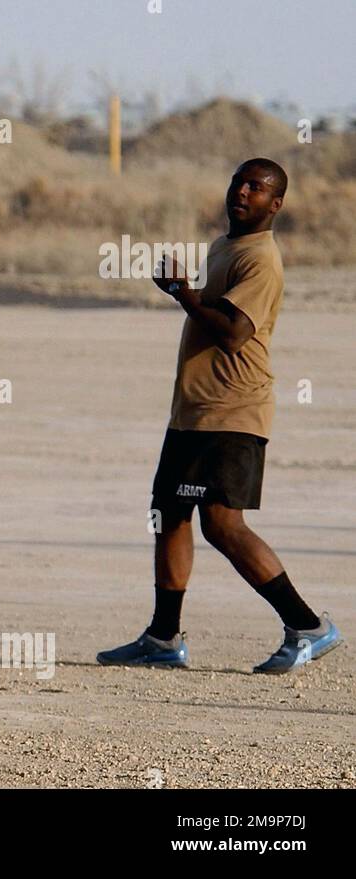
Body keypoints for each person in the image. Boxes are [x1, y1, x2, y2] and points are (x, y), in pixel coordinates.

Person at [97, 158, 342, 674]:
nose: (243, 191)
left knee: (223, 524)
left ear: (275, 205)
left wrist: (182, 293)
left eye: (258, 188)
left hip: (234, 410)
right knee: (169, 514)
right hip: (195, 411)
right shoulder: (224, 246)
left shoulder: (262, 259)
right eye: (239, 182)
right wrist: (184, 292)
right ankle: (163, 637)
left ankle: (308, 626)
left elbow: (233, 332)